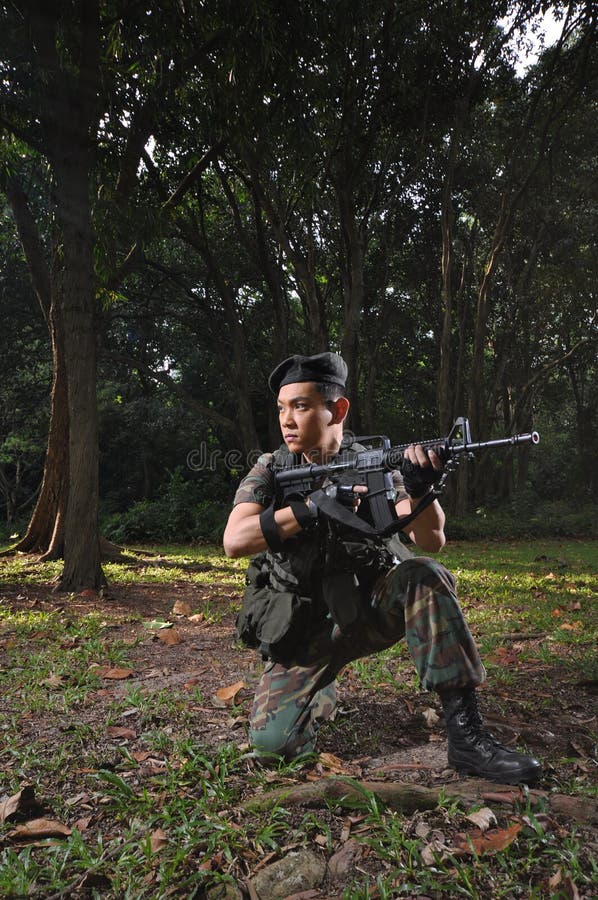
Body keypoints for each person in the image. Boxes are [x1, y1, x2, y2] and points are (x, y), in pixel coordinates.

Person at [223, 352, 542, 784]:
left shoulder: (372, 464)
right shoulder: (272, 467)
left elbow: (431, 539)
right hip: (304, 629)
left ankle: (467, 736)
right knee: (272, 747)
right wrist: (311, 508)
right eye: (282, 408)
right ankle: (318, 691)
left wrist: (421, 490)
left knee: (424, 573)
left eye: (300, 406)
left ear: (338, 410)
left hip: (368, 610)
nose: (287, 420)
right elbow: (234, 540)